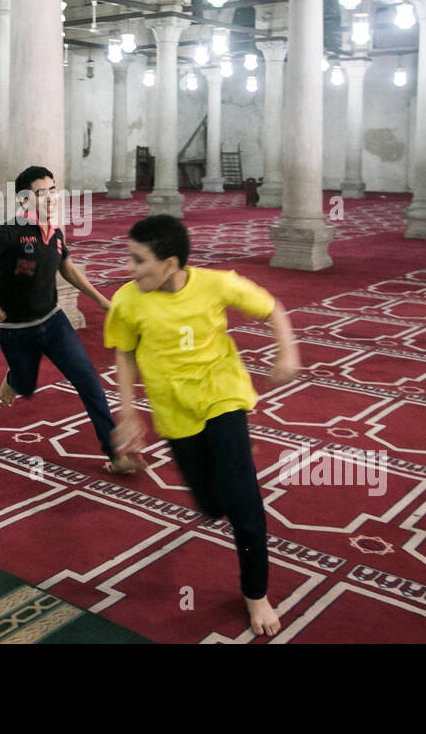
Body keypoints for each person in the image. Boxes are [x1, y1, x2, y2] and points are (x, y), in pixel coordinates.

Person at [104, 214, 300, 637]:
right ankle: (229, 464)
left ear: (170, 264)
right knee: (212, 506)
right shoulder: (127, 301)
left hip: (222, 396)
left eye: (138, 260)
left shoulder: (218, 283)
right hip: (174, 411)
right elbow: (123, 354)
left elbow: (272, 309)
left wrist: (287, 353)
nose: (129, 268)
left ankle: (256, 592)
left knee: (244, 501)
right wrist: (129, 411)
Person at [0, 165, 144, 475]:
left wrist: (101, 301)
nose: (49, 198)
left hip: (53, 321)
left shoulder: (55, 233)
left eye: (53, 191)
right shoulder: (10, 231)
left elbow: (67, 269)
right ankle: (14, 378)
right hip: (16, 331)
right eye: (40, 193)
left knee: (89, 382)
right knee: (26, 384)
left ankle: (116, 454)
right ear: (23, 200)